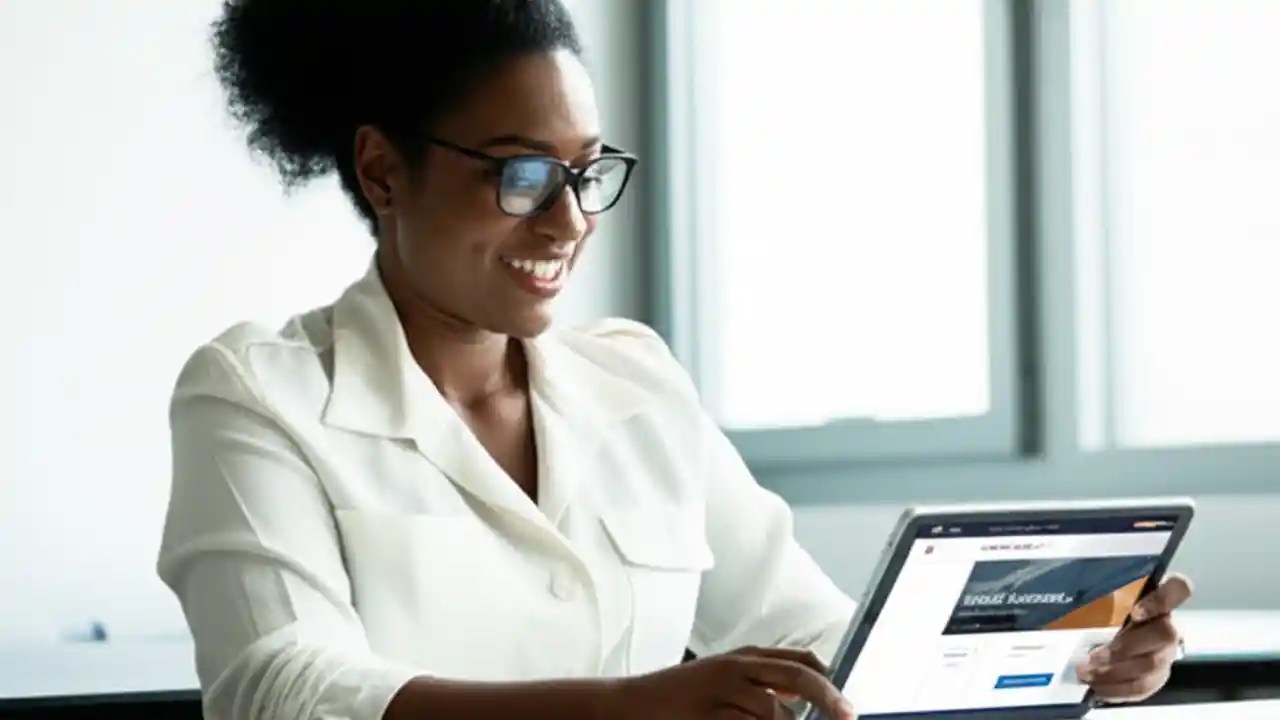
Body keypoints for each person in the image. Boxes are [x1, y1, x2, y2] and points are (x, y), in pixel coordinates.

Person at [156, 1, 1193, 718]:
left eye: (585, 170)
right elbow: (280, 687)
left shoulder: (632, 379)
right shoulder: (260, 392)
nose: (568, 219)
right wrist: (617, 711)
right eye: (520, 173)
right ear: (383, 170)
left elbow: (814, 637)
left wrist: (1075, 658)